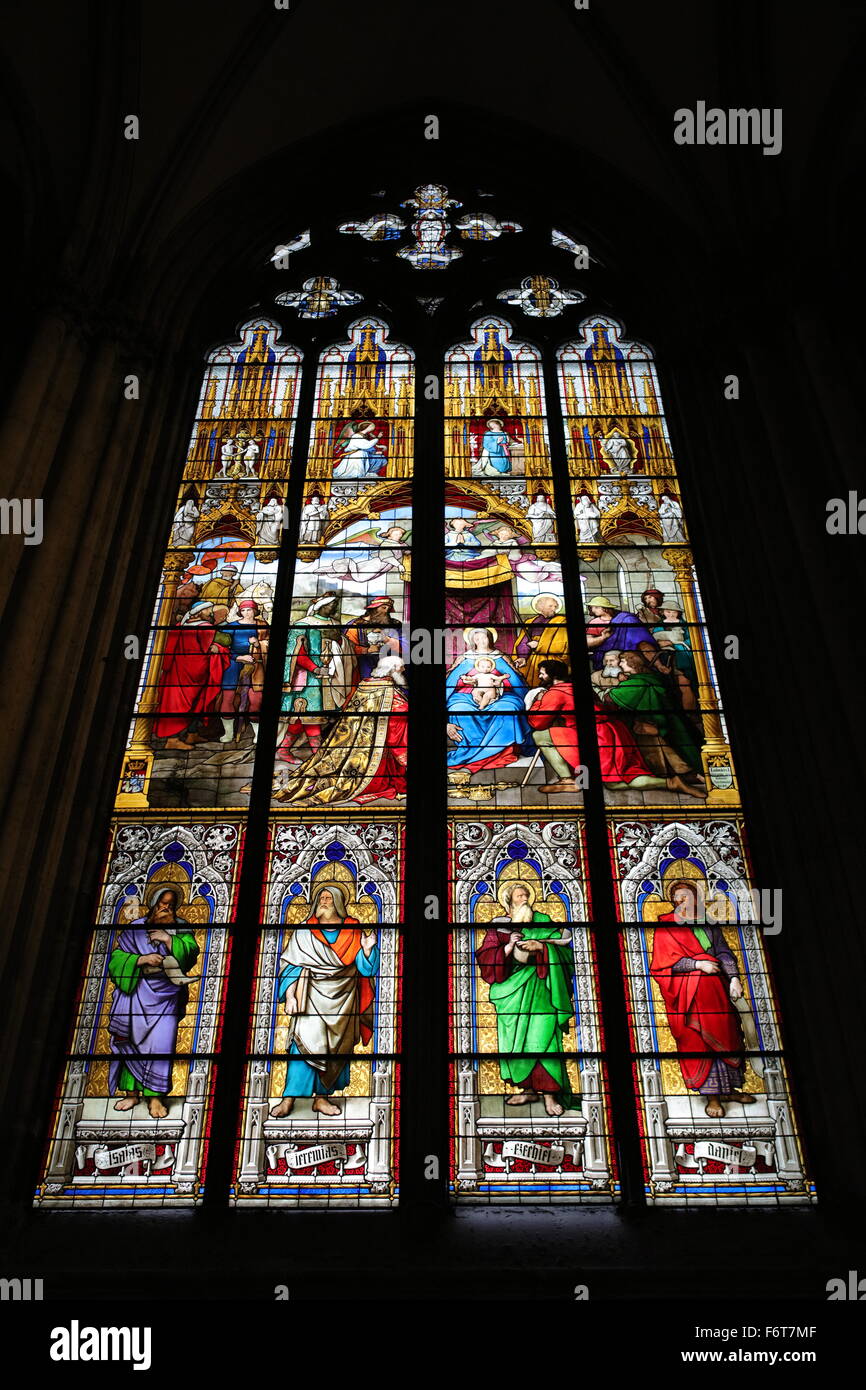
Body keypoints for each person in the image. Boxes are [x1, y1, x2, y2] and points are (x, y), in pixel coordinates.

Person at [269, 884, 378, 1118]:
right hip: (309, 997)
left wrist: (368, 951)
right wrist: (289, 995)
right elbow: (291, 965)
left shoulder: (353, 930)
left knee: (336, 1050)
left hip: (344, 999)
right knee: (301, 1047)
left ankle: (322, 1098)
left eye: (329, 898)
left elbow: (365, 969)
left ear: (338, 902)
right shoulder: (304, 932)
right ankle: (289, 1098)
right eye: (321, 897)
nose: (324, 901)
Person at [650, 880, 755, 1118]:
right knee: (701, 1041)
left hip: (717, 991)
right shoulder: (666, 926)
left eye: (687, 896)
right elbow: (662, 964)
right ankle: (713, 1098)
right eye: (678, 898)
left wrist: (735, 979)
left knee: (729, 1035)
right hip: (689, 996)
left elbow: (724, 953)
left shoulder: (708, 923)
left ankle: (729, 1090)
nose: (683, 901)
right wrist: (697, 964)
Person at [476, 882, 576, 1117]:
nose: (524, 900)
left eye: (527, 896)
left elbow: (566, 951)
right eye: (519, 896)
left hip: (541, 989)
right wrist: (509, 947)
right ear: (509, 901)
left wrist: (541, 946)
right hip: (510, 993)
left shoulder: (543, 922)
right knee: (515, 1043)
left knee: (544, 1039)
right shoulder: (498, 928)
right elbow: (485, 957)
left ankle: (550, 1096)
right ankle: (528, 1089)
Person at [107, 888, 199, 1120]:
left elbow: (190, 953)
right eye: (162, 903)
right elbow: (117, 959)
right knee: (130, 1042)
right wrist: (141, 959)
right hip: (135, 993)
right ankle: (131, 1093)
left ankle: (156, 1097)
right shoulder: (135, 928)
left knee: (161, 1045)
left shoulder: (181, 928)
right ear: (153, 903)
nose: (166, 907)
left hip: (166, 996)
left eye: (170, 904)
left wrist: (168, 939)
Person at [276, 653, 408, 804]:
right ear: (392, 670)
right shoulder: (386, 688)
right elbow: (399, 712)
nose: (402, 670)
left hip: (359, 740)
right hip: (376, 744)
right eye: (400, 668)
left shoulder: (366, 684)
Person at [597, 647, 705, 795]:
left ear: (632, 663)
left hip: (656, 725)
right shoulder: (647, 678)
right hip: (666, 722)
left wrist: (598, 691)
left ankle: (683, 775)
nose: (620, 664)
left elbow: (610, 700)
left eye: (622, 661)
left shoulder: (637, 683)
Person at [446, 628, 531, 773]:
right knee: (457, 708)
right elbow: (452, 680)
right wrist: (468, 681)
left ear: (491, 639)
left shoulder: (501, 657)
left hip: (500, 694)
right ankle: (471, 748)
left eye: (484, 638)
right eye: (477, 638)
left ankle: (501, 752)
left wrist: (500, 684)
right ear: (472, 640)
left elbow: (514, 679)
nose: (481, 641)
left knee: (509, 708)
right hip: (468, 694)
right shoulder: (464, 658)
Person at [153, 600, 231, 749]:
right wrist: (220, 648)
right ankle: (172, 740)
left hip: (180, 670)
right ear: (200, 612)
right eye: (209, 610)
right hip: (192, 671)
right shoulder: (205, 627)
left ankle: (192, 734)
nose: (211, 612)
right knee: (184, 704)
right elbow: (224, 640)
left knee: (192, 702)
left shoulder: (180, 626)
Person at [513, 593, 569, 687]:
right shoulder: (530, 622)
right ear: (540, 607)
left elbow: (563, 644)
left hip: (551, 661)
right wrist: (523, 657)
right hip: (531, 661)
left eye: (555, 606)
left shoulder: (562, 621)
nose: (553, 609)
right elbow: (523, 641)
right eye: (550, 606)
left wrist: (539, 646)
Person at [585, 597, 658, 668]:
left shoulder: (625, 618)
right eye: (592, 607)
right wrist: (603, 637)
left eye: (596, 607)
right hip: (610, 654)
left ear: (605, 608)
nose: (593, 610)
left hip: (633, 649)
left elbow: (637, 634)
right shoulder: (595, 622)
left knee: (643, 644)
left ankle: (658, 665)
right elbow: (588, 642)